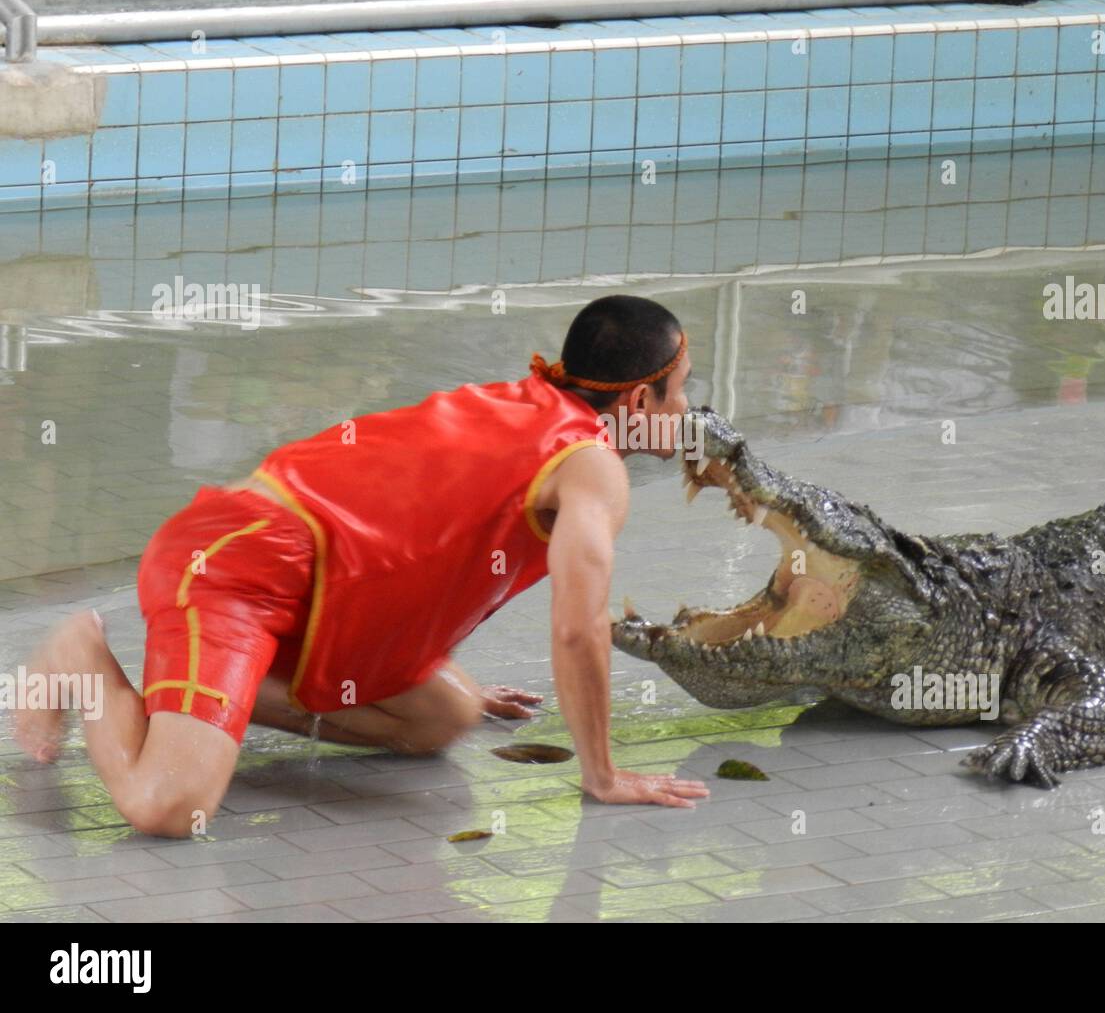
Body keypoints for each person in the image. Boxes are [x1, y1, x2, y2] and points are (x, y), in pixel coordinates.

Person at [15, 294, 709, 837]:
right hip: (238, 567)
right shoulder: (593, 468)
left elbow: (422, 542)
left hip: (311, 591)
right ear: (636, 400)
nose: (686, 410)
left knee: (445, 715)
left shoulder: (529, 404)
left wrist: (418, 653)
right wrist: (603, 774)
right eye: (679, 389)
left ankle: (211, 701)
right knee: (165, 808)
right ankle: (81, 653)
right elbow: (577, 628)